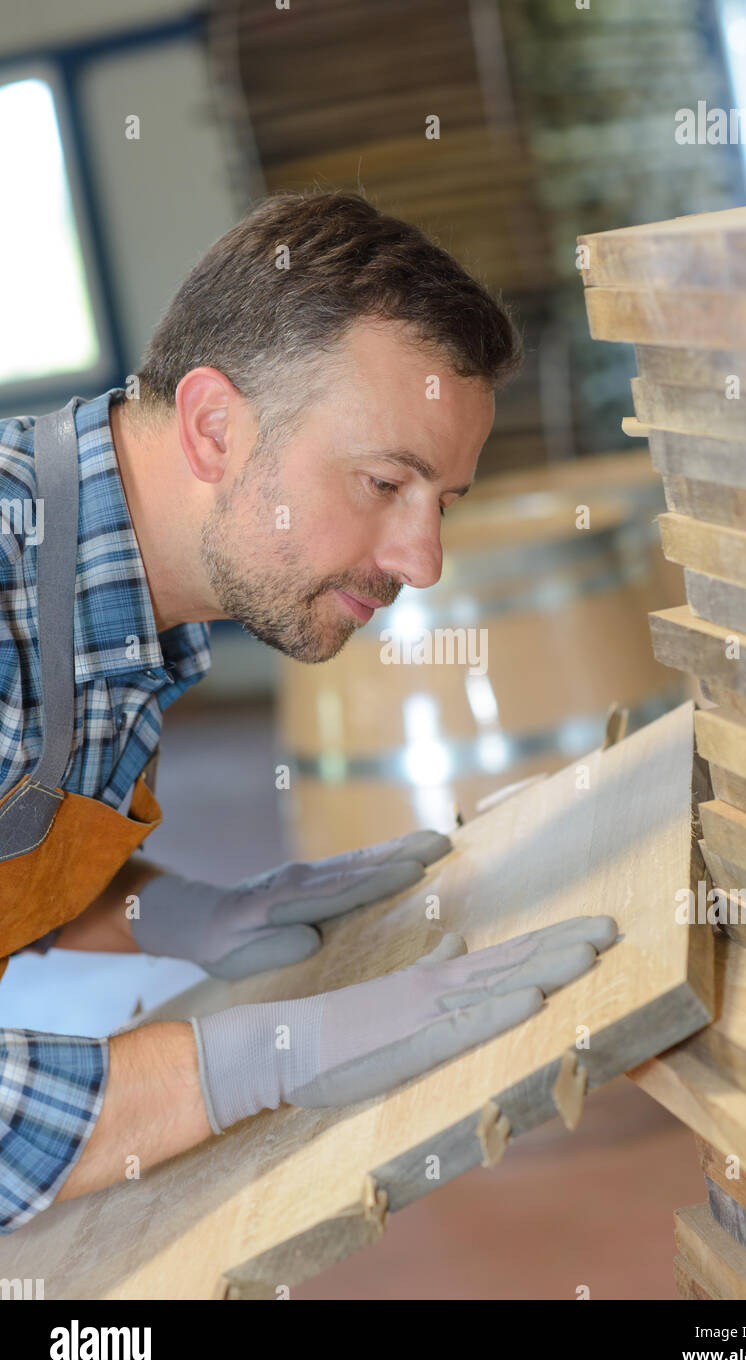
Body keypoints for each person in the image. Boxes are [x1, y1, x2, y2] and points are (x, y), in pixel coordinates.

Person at [0, 191, 616, 1234]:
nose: (422, 560)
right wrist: (258, 1060)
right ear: (213, 427)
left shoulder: (113, 592)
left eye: (440, 503)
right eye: (383, 483)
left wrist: (177, 914)